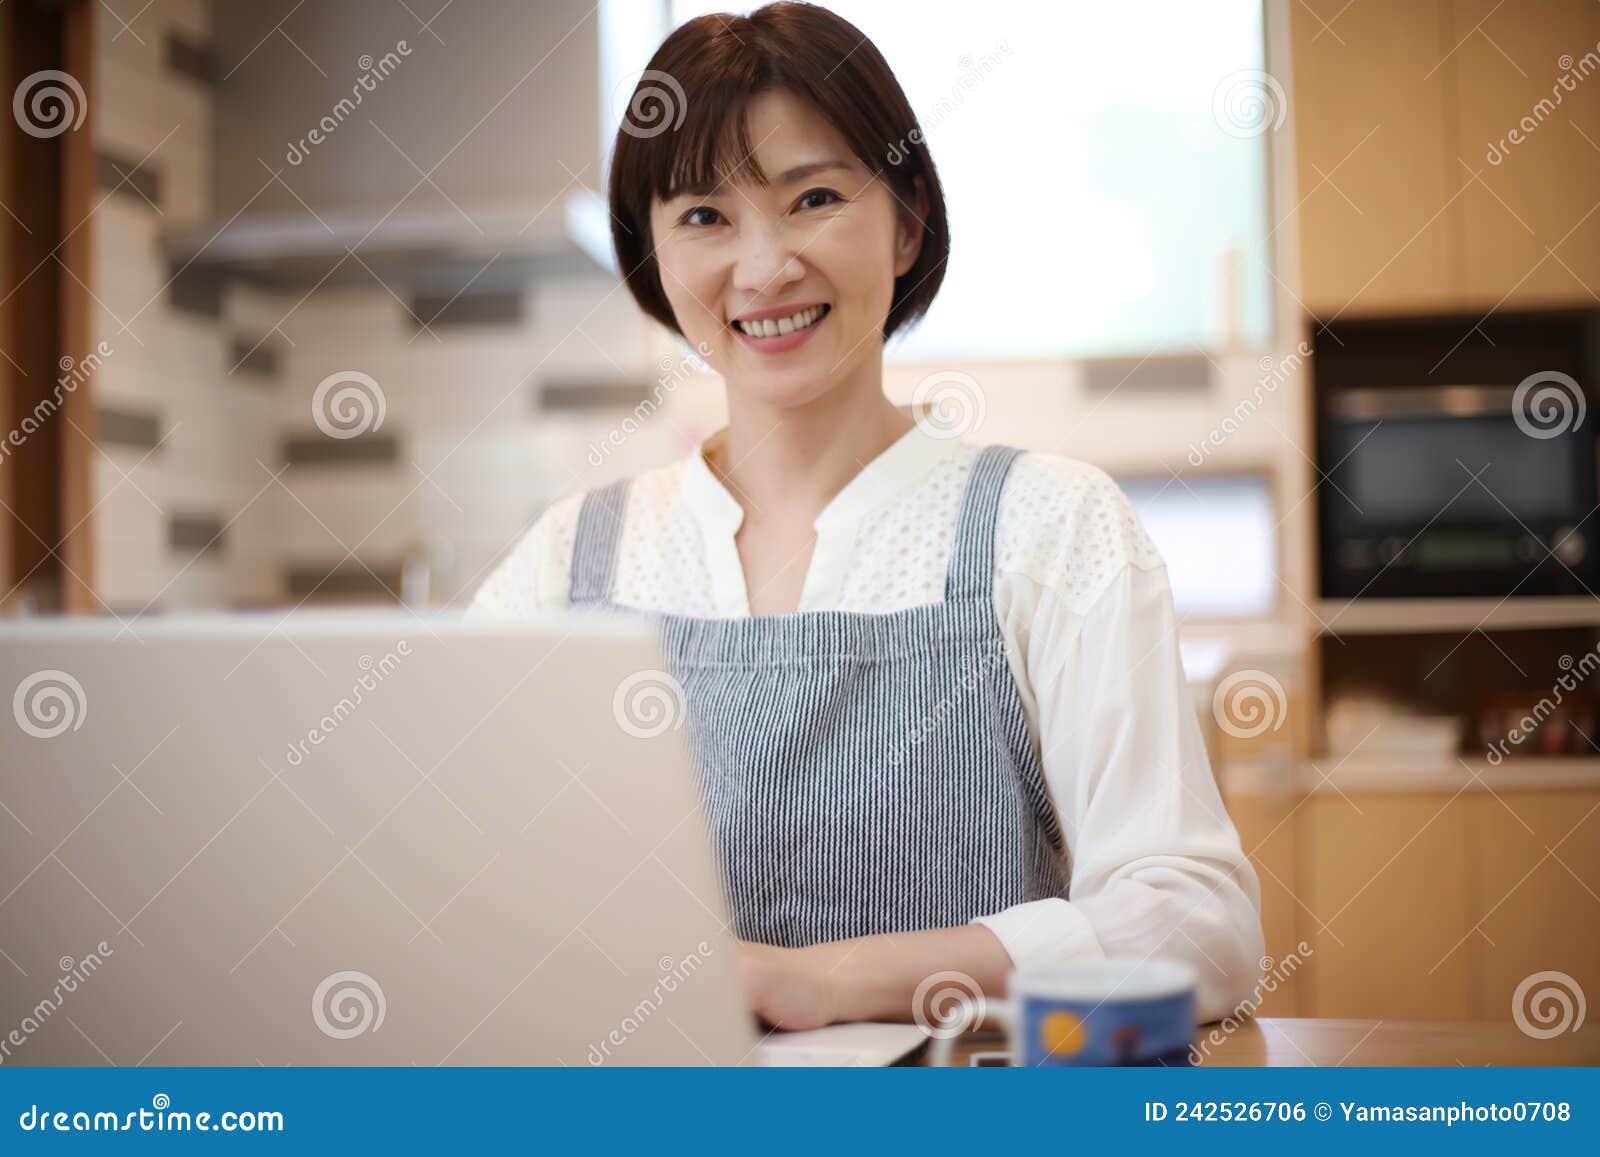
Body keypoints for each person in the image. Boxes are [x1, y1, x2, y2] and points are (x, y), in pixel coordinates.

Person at [471, 1, 1263, 1031]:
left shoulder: (1050, 525)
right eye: (704, 217)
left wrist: (829, 982)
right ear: (655, 259)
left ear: (907, 223)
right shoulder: (565, 564)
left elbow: (1198, 924)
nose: (763, 270)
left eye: (813, 199)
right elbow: (455, 893)